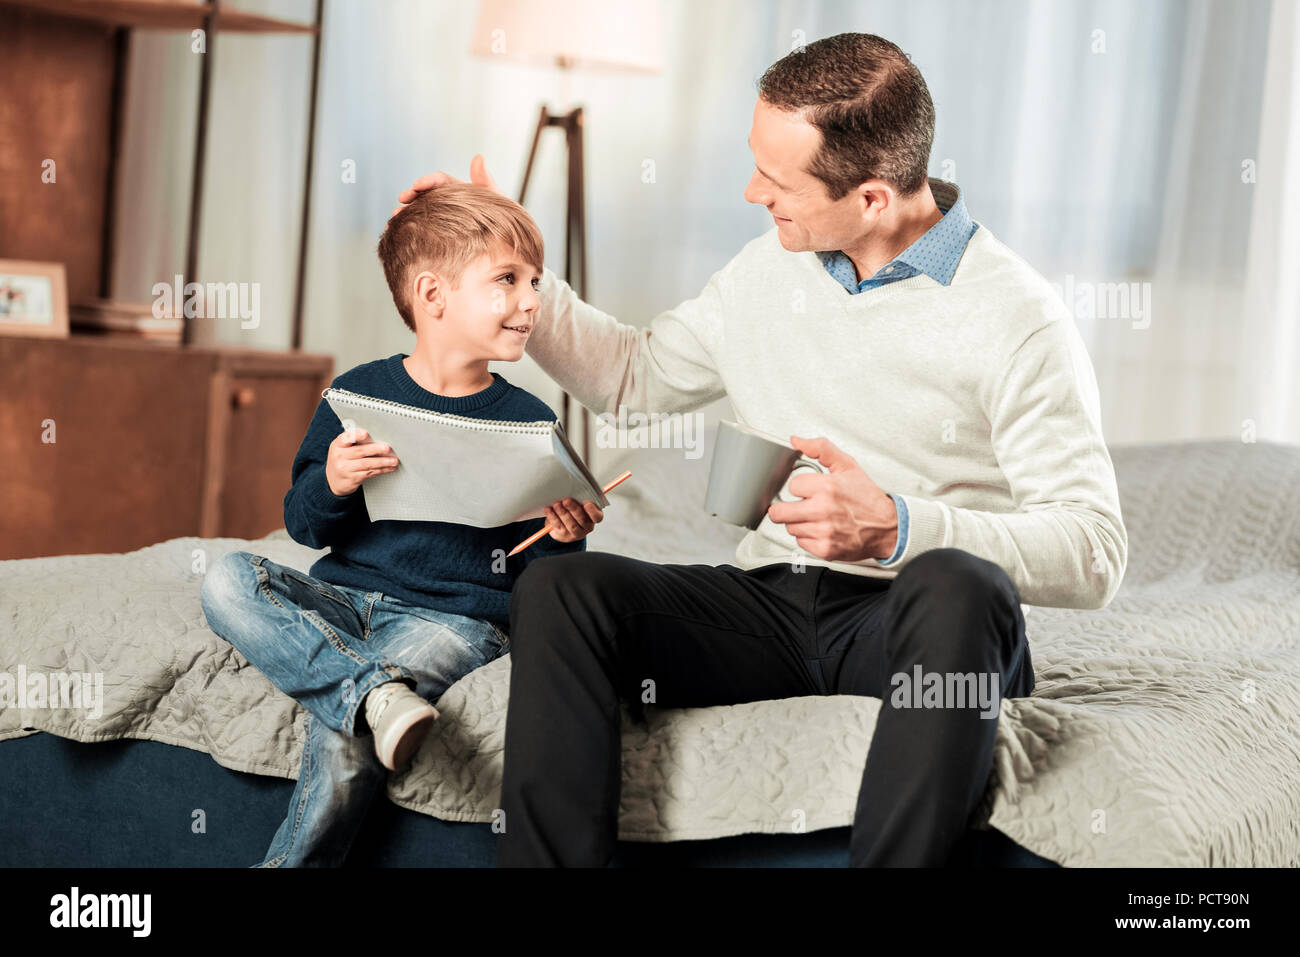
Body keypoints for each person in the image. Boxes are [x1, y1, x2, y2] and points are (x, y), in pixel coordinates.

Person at [398, 33, 1127, 867]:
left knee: (959, 586)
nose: (752, 192)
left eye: (777, 182)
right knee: (564, 588)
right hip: (772, 605)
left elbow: (1095, 550)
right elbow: (632, 376)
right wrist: (506, 264)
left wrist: (897, 527)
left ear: (873, 198)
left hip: (913, 623)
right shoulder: (769, 269)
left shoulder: (1017, 317)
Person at [200, 184, 603, 866]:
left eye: (535, 281)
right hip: (343, 598)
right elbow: (303, 525)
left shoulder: (531, 421)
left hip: (452, 621)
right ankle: (373, 693)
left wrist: (565, 538)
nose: (533, 299)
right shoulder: (359, 393)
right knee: (226, 579)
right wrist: (333, 481)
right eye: (508, 279)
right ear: (432, 295)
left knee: (347, 735)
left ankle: (359, 714)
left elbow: (542, 579)